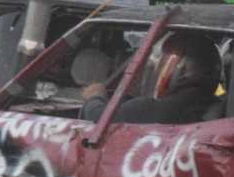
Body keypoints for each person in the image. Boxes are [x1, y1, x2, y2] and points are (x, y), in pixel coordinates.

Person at [82, 32, 223, 125]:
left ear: (178, 71)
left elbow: (98, 118)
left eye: (165, 63)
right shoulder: (219, 108)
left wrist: (94, 96)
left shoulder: (150, 109)